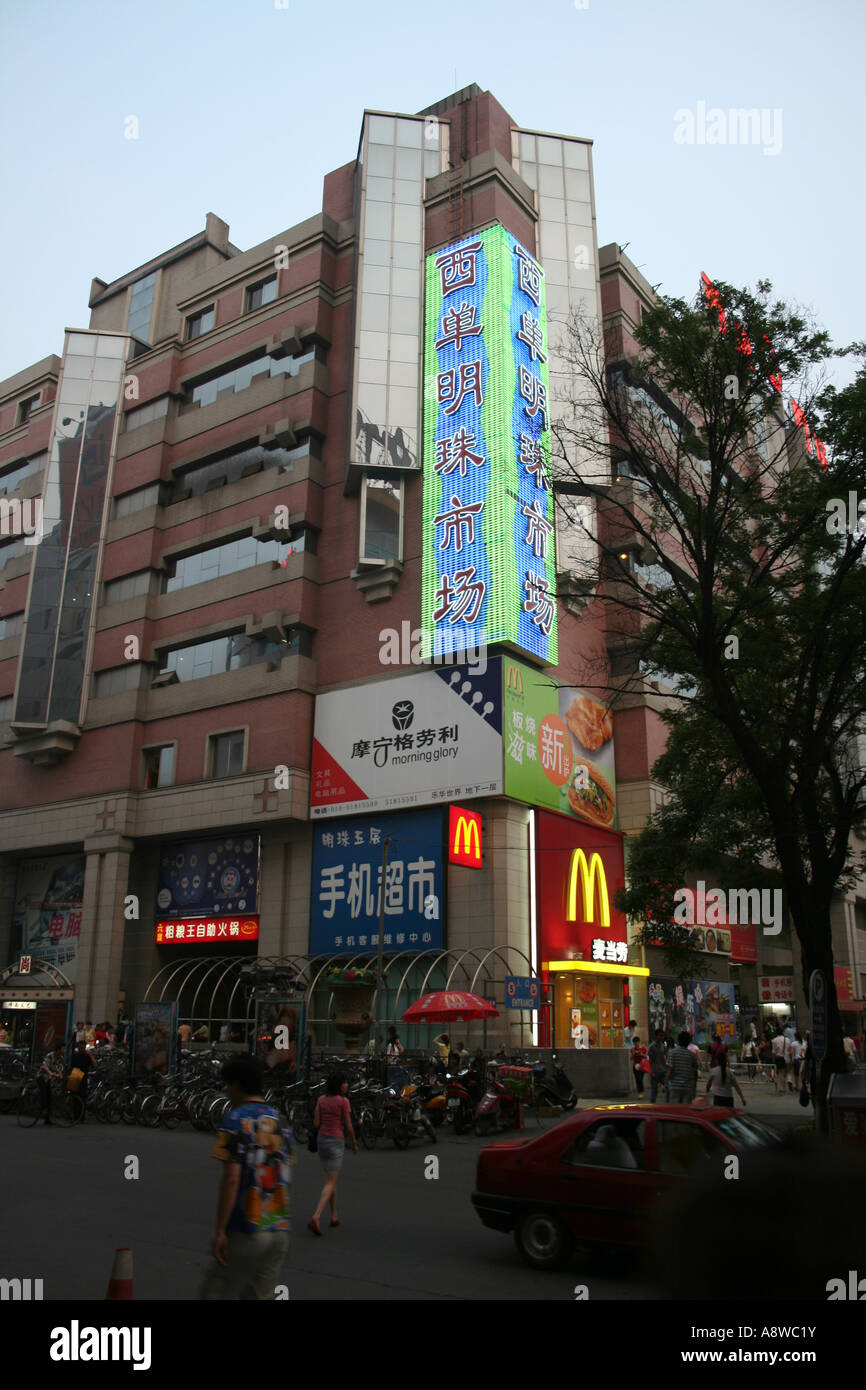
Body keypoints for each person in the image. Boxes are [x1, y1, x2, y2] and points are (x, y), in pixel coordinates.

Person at [200, 1055, 294, 1300]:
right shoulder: (282, 1122)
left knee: (216, 1293)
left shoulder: (235, 1120)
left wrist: (221, 1230)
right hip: (279, 1230)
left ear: (237, 1085)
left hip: (247, 1228)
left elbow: (232, 1178)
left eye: (228, 1085)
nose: (226, 1091)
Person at [308, 1072, 357, 1236]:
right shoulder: (344, 1102)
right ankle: (316, 1216)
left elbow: (316, 1123)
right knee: (330, 1182)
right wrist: (354, 1144)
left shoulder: (321, 1100)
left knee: (330, 1179)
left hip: (322, 1140)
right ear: (339, 1086)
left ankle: (334, 1215)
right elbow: (349, 1126)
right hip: (336, 1141)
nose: (347, 1085)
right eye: (345, 1083)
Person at [666, 1031, 698, 1105]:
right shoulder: (692, 1055)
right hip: (688, 1086)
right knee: (685, 1109)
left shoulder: (672, 1053)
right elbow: (695, 1072)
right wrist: (694, 1086)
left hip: (675, 1086)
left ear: (678, 1040)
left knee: (675, 1108)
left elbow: (670, 1069)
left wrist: (666, 1083)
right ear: (688, 1042)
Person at [37, 1043, 65, 1124]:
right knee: (44, 1094)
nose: (64, 1050)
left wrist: (60, 1074)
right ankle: (42, 1108)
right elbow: (45, 1066)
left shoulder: (60, 1058)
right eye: (63, 1048)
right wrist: (50, 1072)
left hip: (49, 1079)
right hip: (42, 1076)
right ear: (58, 1049)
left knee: (50, 1097)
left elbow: (59, 1068)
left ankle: (47, 1118)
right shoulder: (50, 1055)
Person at [68, 1041, 95, 1112]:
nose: (81, 1049)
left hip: (82, 1076)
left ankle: (80, 1113)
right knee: (74, 1096)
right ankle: (75, 1112)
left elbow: (94, 1065)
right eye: (80, 1047)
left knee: (82, 1096)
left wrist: (90, 1055)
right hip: (75, 1075)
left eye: (82, 1047)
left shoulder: (87, 1056)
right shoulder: (75, 1056)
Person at [647, 1031, 668, 1103]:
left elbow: (665, 1057)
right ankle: (652, 1105)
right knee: (654, 1090)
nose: (661, 1037)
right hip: (655, 1071)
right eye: (660, 1035)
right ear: (656, 1036)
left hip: (663, 1070)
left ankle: (668, 1103)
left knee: (668, 1087)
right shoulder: (651, 1047)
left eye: (662, 1036)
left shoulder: (663, 1045)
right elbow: (650, 1060)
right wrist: (651, 1071)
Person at [771, 1029, 788, 1093]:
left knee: (780, 1073)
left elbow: (773, 1051)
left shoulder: (774, 1040)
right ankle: (784, 1086)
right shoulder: (787, 1039)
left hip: (778, 1057)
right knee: (784, 1073)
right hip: (786, 1058)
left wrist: (773, 1060)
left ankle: (782, 1087)